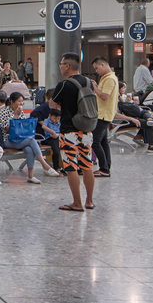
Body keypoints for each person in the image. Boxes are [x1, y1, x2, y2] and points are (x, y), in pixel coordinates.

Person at [49, 54, 96, 213]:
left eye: (61, 64)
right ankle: (89, 201)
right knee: (87, 165)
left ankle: (77, 203)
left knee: (71, 167)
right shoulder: (89, 81)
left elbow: (52, 104)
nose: (60, 66)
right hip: (87, 129)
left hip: (69, 131)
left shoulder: (64, 84)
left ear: (67, 65)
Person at [0, 93, 42, 182]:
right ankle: (44, 163)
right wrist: (15, 116)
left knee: (30, 150)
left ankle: (30, 176)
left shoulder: (21, 112)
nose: (21, 103)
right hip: (8, 140)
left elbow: (24, 128)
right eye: (19, 101)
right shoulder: (3, 112)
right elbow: (7, 129)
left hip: (20, 139)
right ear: (12, 101)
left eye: (22, 101)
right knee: (31, 140)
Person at [91, 57, 119, 177]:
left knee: (95, 142)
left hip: (102, 115)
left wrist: (95, 87)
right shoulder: (109, 78)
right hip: (106, 114)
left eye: (97, 68)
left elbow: (104, 96)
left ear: (102, 65)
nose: (96, 71)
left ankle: (104, 168)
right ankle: (106, 166)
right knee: (103, 142)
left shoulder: (109, 79)